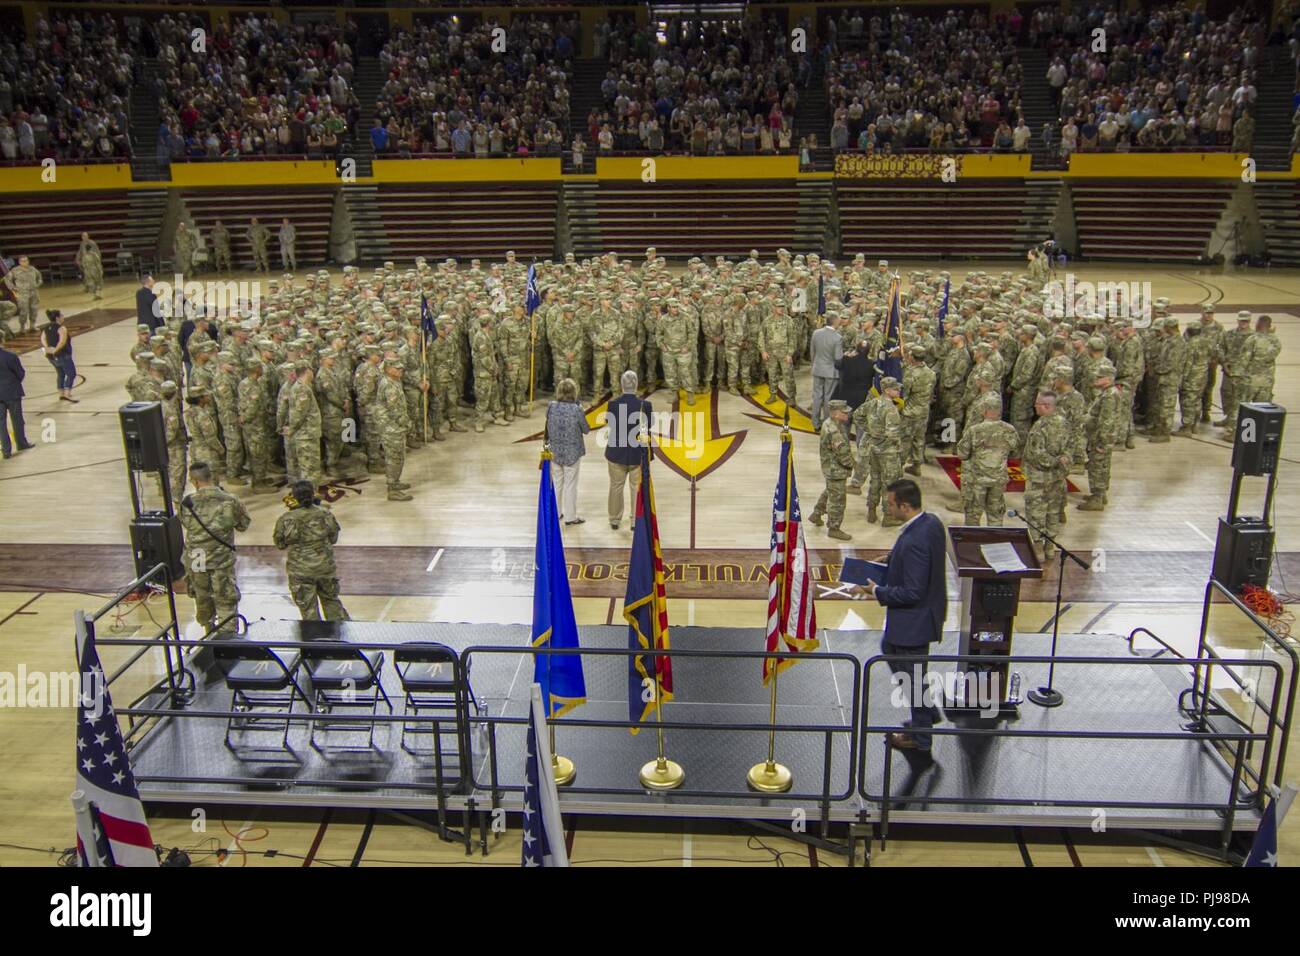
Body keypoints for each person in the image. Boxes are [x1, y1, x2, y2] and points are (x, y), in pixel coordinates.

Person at [860, 478, 948, 753]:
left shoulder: (913, 542)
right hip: (925, 615)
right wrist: (891, 558)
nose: (888, 509)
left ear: (905, 506)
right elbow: (917, 561)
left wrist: (877, 591)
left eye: (890, 504)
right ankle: (928, 714)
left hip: (914, 621)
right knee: (889, 648)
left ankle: (921, 737)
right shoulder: (930, 523)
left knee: (913, 678)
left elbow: (912, 592)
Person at [178, 460, 251, 634]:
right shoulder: (230, 500)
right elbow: (243, 525)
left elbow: (186, 524)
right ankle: (228, 638)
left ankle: (208, 631)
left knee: (201, 595)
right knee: (225, 597)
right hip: (221, 556)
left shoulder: (187, 502)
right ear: (211, 477)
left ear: (194, 481)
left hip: (197, 556)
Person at [273, 480, 349, 621]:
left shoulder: (286, 519)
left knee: (308, 610)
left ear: (294, 497)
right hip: (325, 567)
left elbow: (280, 544)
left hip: (300, 570)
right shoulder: (325, 514)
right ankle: (341, 638)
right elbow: (333, 538)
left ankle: (314, 639)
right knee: (331, 602)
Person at [605, 369, 650, 530]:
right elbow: (647, 427)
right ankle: (634, 521)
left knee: (616, 486)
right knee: (635, 488)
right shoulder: (645, 405)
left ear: (621, 386)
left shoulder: (612, 404)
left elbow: (610, 424)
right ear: (636, 386)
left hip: (616, 452)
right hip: (637, 454)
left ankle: (614, 520)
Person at [546, 377, 589, 525]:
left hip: (555, 452)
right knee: (570, 485)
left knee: (558, 482)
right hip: (572, 453)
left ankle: (556, 513)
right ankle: (570, 517)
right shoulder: (577, 409)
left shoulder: (551, 406)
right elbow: (586, 429)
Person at [809, 399, 854, 540]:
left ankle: (816, 514)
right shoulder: (834, 431)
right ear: (835, 413)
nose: (847, 414)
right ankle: (834, 528)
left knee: (830, 491)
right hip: (836, 469)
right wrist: (853, 465)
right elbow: (843, 454)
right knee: (838, 500)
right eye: (844, 412)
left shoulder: (831, 423)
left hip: (830, 468)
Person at [808, 314, 843, 431]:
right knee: (828, 398)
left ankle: (815, 423)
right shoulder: (837, 337)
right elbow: (838, 358)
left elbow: (812, 352)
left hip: (817, 369)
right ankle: (827, 423)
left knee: (817, 396)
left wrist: (814, 364)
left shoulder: (816, 333)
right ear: (835, 323)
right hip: (830, 371)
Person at [0, 341, 34, 459]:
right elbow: (20, 373)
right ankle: (21, 443)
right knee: (17, 419)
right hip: (12, 392)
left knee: (1, 423)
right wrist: (13, 383)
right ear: (2, 341)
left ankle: (6, 450)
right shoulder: (10, 356)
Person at [41, 310, 77, 402]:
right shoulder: (61, 328)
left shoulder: (46, 327)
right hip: (62, 355)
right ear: (57, 318)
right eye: (61, 315)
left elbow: (43, 338)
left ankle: (61, 394)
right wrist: (55, 350)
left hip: (51, 357)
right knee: (71, 373)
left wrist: (47, 348)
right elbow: (62, 341)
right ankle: (67, 393)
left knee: (60, 374)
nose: (63, 316)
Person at [75, 233, 104, 299]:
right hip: (88, 268)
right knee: (90, 281)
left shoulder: (92, 244)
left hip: (94, 267)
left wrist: (99, 268)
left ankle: (97, 294)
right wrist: (78, 259)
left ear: (88, 236)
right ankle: (94, 293)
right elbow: (80, 252)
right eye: (82, 236)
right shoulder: (82, 244)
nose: (83, 237)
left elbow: (97, 253)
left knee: (97, 281)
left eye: (85, 236)